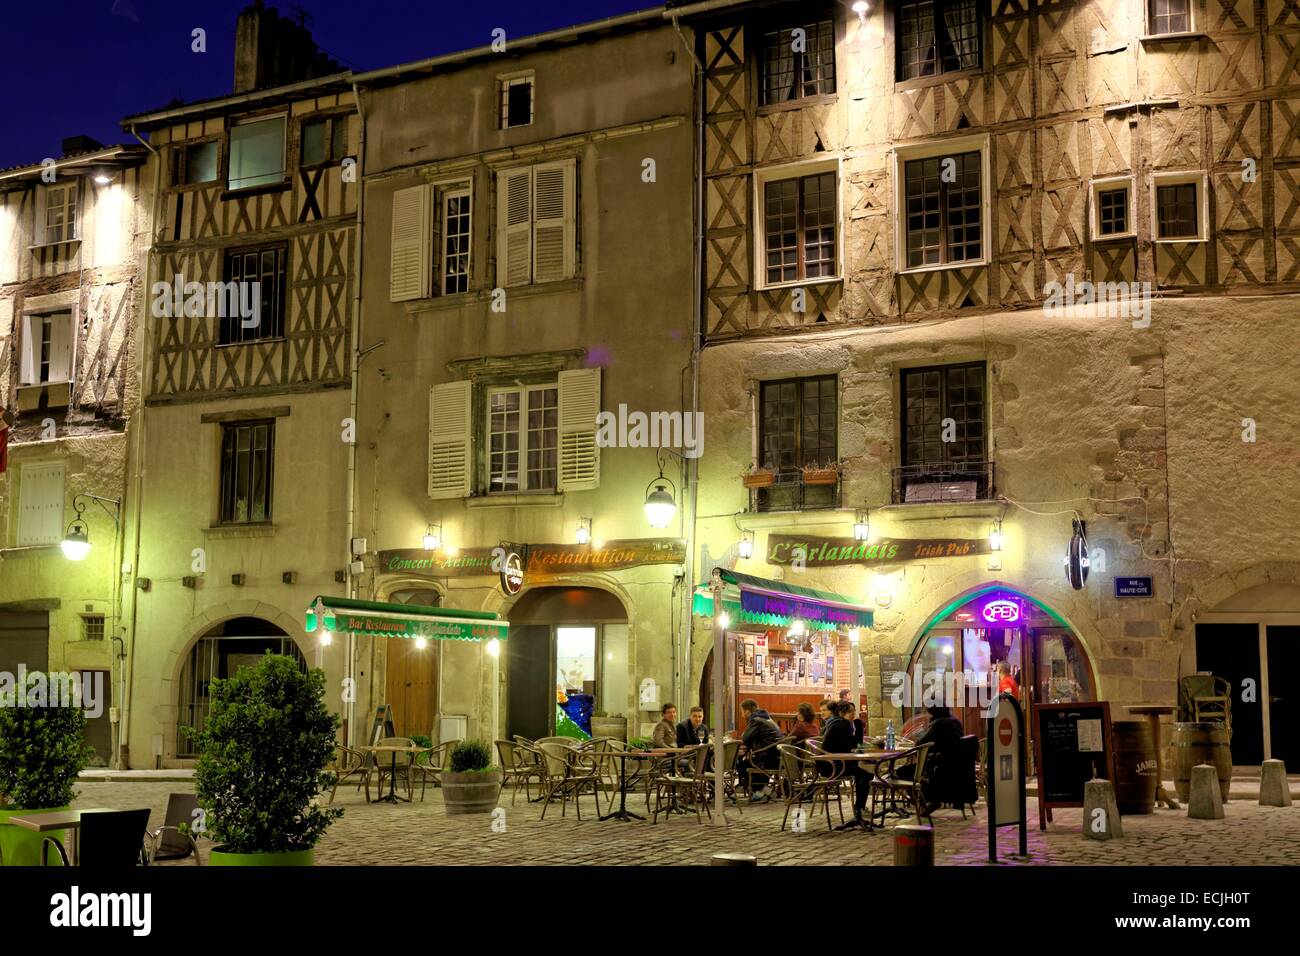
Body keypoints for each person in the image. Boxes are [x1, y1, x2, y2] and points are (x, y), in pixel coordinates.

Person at [818, 701, 874, 828]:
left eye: (854, 711)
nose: (853, 714)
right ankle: (859, 809)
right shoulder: (841, 725)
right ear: (841, 713)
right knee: (865, 775)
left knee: (863, 774)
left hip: (833, 763)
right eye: (850, 712)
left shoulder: (839, 723)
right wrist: (859, 726)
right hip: (831, 767)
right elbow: (855, 744)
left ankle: (859, 809)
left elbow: (850, 747)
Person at [905, 705, 966, 813]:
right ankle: (928, 801)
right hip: (956, 765)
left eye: (927, 710)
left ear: (933, 711)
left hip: (940, 766)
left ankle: (929, 800)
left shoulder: (939, 724)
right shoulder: (955, 721)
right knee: (917, 770)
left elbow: (920, 744)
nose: (925, 713)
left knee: (903, 772)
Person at [737, 699, 783, 801]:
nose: (742, 715)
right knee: (745, 759)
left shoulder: (756, 720)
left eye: (742, 712)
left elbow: (745, 738)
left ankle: (763, 789)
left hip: (766, 757)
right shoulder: (766, 718)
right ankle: (761, 791)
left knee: (740, 763)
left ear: (747, 711)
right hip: (776, 756)